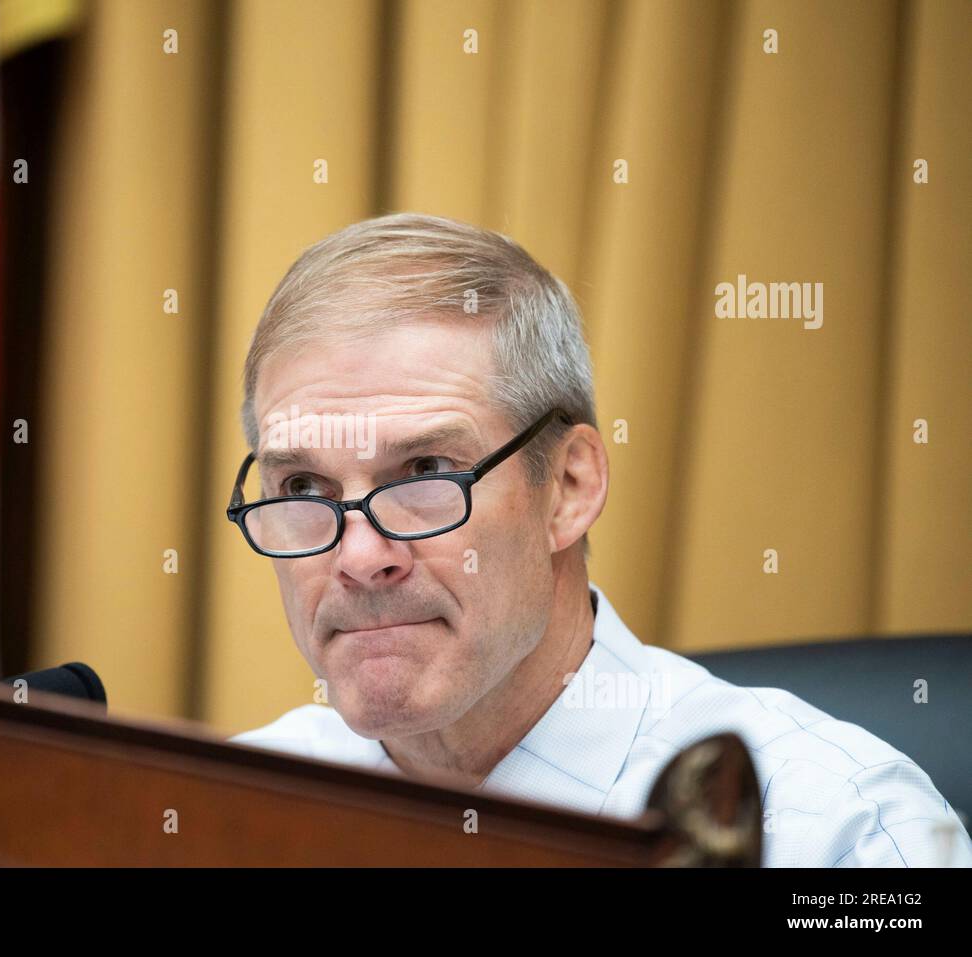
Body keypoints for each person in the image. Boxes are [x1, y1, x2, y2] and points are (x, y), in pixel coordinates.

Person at [225, 212, 971, 867]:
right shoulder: (211, 813)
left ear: (570, 488)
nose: (358, 555)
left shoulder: (840, 835)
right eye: (302, 489)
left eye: (426, 469)